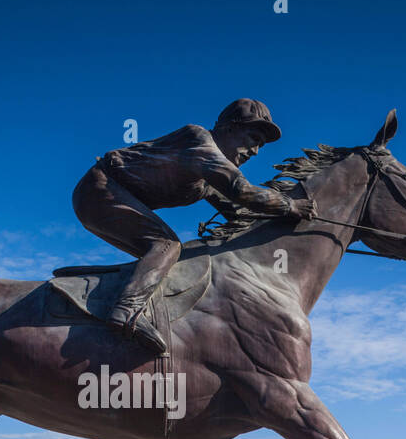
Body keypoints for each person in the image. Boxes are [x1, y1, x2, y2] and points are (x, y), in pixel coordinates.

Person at [71, 98, 317, 353]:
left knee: (176, 260)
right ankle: (127, 311)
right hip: (99, 190)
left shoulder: (208, 178)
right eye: (253, 138)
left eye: (260, 146)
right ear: (229, 128)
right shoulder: (198, 139)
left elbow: (237, 211)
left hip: (101, 195)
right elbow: (241, 191)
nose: (255, 151)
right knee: (166, 246)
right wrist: (290, 205)